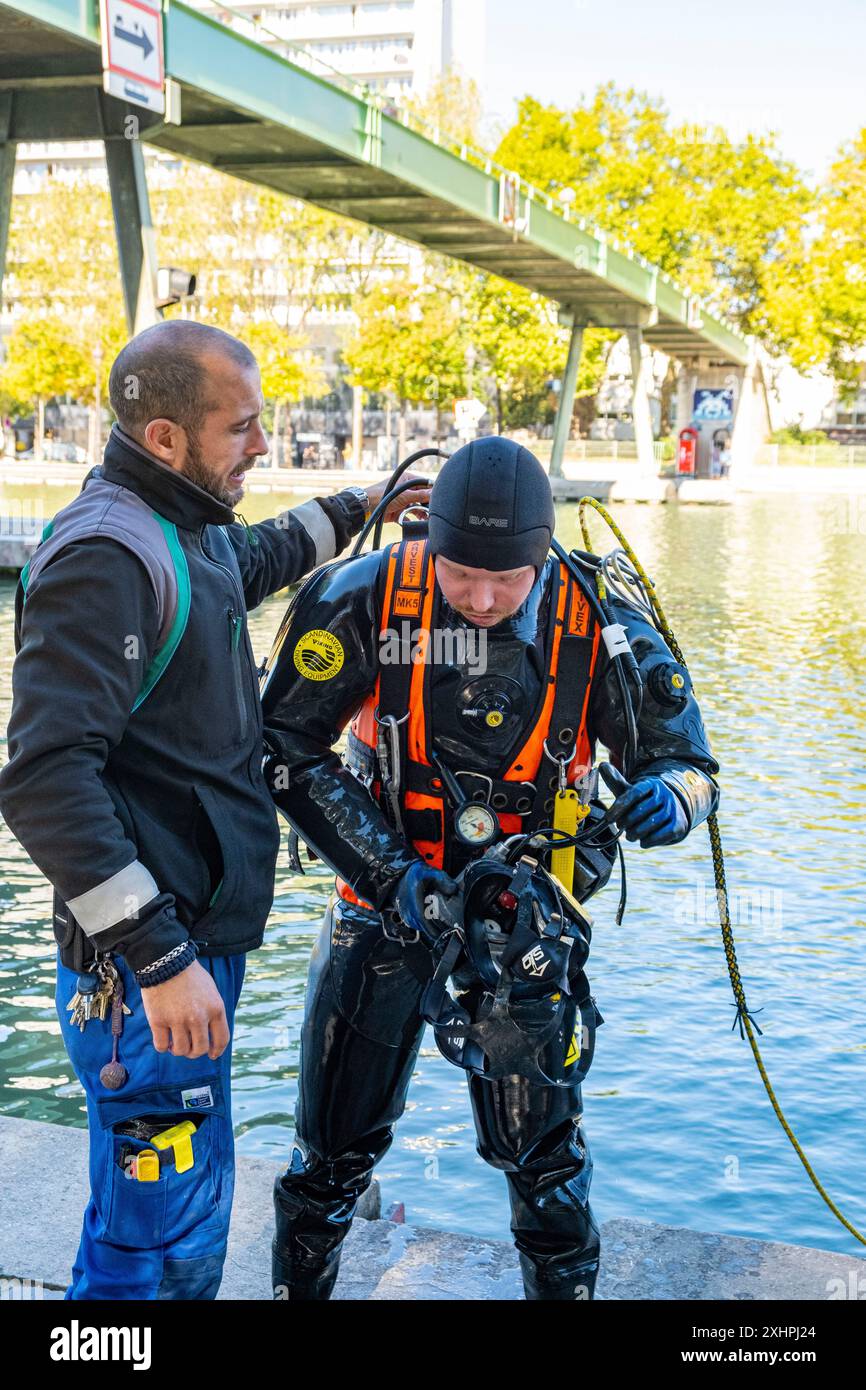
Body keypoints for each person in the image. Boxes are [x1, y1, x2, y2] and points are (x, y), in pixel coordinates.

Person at [0, 319, 428, 1301]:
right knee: (140, 1238)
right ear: (164, 438)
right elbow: (44, 777)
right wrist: (156, 956)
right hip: (151, 973)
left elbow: (258, 555)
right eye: (242, 428)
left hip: (194, 950)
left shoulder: (183, 521)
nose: (262, 446)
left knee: (184, 1213)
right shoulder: (105, 554)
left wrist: (368, 500)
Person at [260, 434, 720, 1301]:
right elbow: (283, 748)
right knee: (328, 1155)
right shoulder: (364, 600)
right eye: (458, 570)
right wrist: (393, 873)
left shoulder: (604, 623)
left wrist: (673, 798)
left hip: (525, 923)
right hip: (384, 903)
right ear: (427, 534)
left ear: (543, 555)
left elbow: (691, 763)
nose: (477, 597)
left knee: (544, 1167)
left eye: (504, 579)